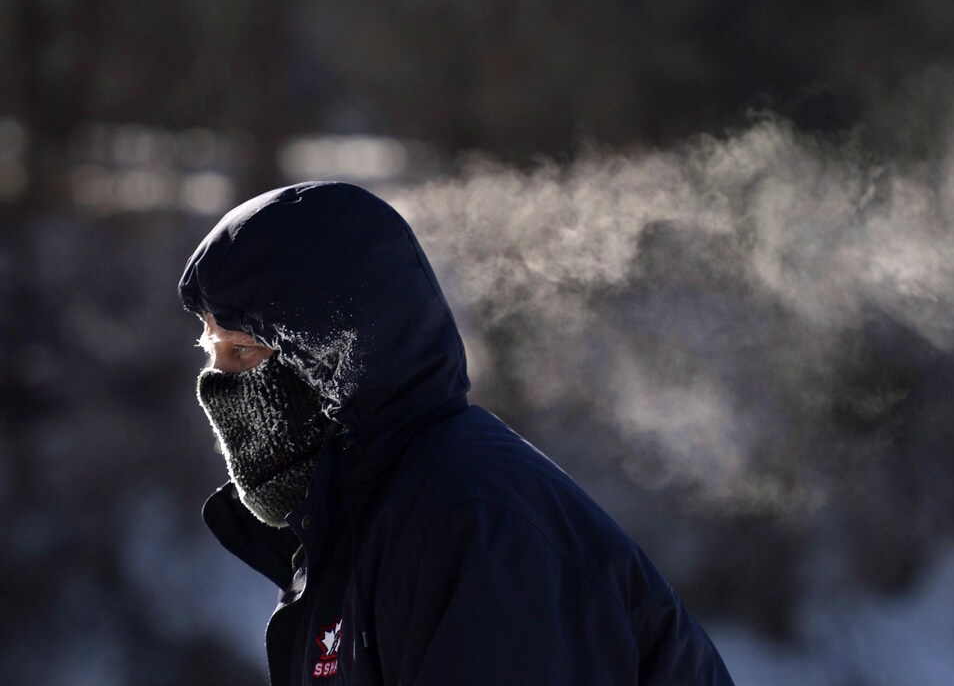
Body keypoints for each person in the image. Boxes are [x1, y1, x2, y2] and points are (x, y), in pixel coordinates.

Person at [180, 181, 735, 685]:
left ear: (332, 352)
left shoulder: (471, 522)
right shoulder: (355, 526)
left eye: (243, 350)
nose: (217, 383)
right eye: (212, 352)